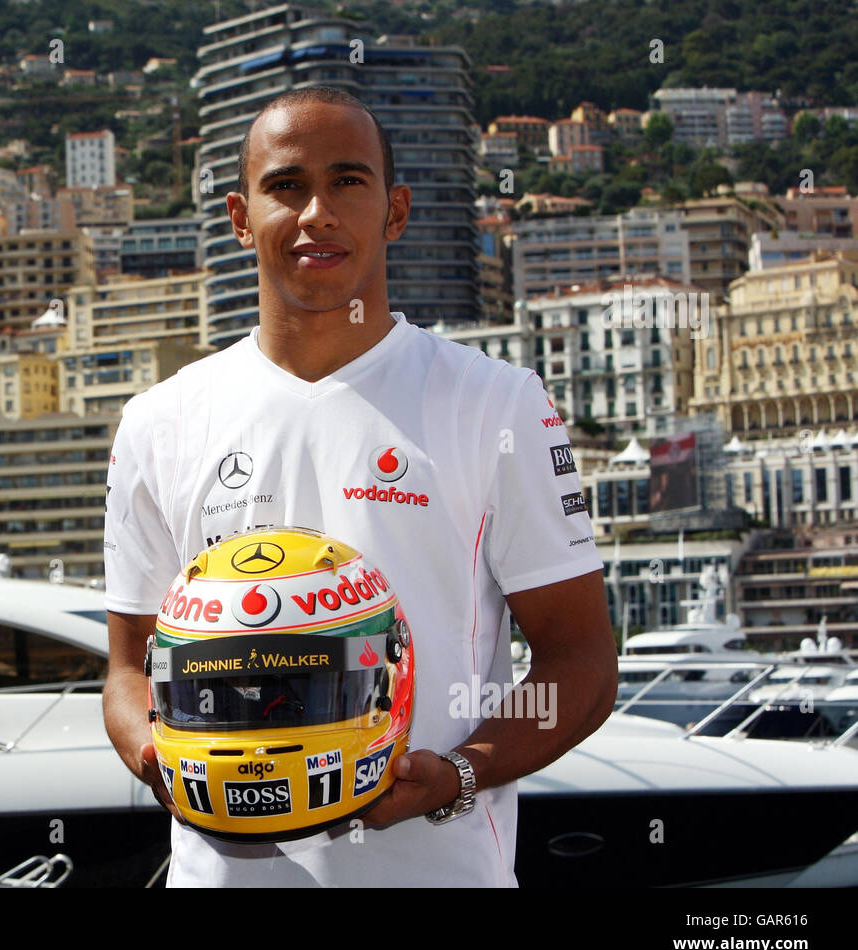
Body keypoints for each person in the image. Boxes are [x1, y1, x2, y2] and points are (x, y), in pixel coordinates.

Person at [102, 87, 618, 886]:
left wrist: (457, 774)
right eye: (285, 186)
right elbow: (130, 669)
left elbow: (580, 662)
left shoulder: (495, 403)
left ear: (395, 210)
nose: (316, 213)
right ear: (240, 218)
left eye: (348, 181)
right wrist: (156, 756)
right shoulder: (160, 421)